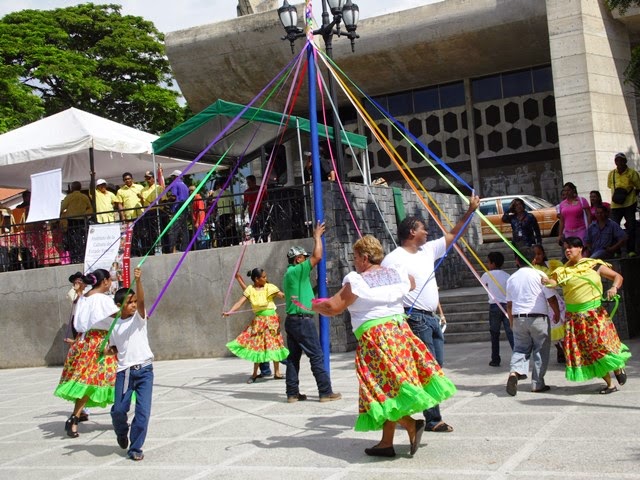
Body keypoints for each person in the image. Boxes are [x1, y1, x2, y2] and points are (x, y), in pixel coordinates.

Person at [312, 235, 456, 457]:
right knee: (390, 386)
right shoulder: (396, 274)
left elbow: (333, 307)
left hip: (376, 338)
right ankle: (386, 443)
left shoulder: (357, 281)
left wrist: (313, 306)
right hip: (400, 334)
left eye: (356, 257)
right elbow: (412, 282)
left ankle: (409, 424)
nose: (354, 262)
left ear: (365, 257)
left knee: (378, 388)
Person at [381, 194, 480, 433]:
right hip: (414, 318)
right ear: (412, 232)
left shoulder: (427, 251)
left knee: (436, 366)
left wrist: (470, 212)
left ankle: (414, 406)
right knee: (428, 368)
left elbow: (453, 235)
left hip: (432, 318)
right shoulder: (393, 259)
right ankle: (433, 418)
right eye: (423, 229)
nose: (427, 233)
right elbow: (385, 291)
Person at [542, 237, 630, 394]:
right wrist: (546, 280)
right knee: (588, 352)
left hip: (594, 315)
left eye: (571, 247)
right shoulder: (563, 271)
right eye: (565, 248)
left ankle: (618, 368)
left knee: (604, 345)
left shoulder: (594, 265)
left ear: (580, 248)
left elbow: (618, 277)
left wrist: (614, 288)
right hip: (574, 318)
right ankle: (609, 384)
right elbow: (553, 283)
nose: (567, 250)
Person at [53, 268, 119, 437]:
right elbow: (118, 316)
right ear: (104, 281)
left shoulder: (84, 299)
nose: (111, 283)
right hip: (99, 344)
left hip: (83, 343)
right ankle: (77, 416)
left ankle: (77, 416)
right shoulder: (102, 300)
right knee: (103, 380)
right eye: (110, 280)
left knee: (86, 380)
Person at [282, 221, 341, 403]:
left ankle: (292, 393)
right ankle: (325, 392)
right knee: (316, 355)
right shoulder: (297, 271)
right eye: (303, 257)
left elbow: (305, 297)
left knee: (293, 358)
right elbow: (317, 256)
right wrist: (316, 237)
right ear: (298, 259)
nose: (306, 260)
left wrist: (317, 285)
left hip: (292, 320)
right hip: (302, 321)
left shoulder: (292, 275)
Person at [109, 267, 153, 461]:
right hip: (124, 372)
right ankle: (121, 430)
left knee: (143, 413)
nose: (134, 305)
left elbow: (143, 301)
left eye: (135, 301)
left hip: (144, 370)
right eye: (130, 302)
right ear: (119, 306)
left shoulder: (140, 319)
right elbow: (115, 348)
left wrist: (138, 281)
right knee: (118, 410)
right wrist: (106, 351)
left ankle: (135, 447)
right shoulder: (114, 326)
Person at [505, 247, 560, 396]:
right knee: (541, 350)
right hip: (538, 317)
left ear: (516, 260)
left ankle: (514, 372)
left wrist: (511, 321)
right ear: (534, 259)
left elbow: (509, 304)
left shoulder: (512, 278)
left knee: (520, 349)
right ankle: (537, 383)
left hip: (518, 318)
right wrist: (556, 313)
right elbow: (551, 297)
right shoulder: (539, 274)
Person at [223, 268, 289, 382]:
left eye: (265, 276)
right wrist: (230, 311)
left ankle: (277, 373)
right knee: (257, 345)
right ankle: (254, 374)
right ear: (256, 279)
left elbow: (282, 295)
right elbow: (240, 302)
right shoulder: (250, 290)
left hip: (272, 320)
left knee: (275, 344)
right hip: (259, 321)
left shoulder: (270, 287)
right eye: (263, 277)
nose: (266, 278)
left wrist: (294, 294)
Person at [532, 244, 566, 363]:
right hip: (544, 301)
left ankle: (566, 351)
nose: (537, 257)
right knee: (553, 327)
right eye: (535, 255)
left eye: (539, 254)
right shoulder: (532, 269)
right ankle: (560, 350)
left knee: (562, 324)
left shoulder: (551, 265)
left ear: (544, 253)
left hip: (554, 298)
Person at [480, 252, 514, 367]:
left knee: (494, 334)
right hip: (506, 306)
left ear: (493, 263)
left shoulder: (487, 275)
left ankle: (495, 359)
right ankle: (517, 357)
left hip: (494, 306)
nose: (487, 264)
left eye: (488, 262)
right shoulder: (507, 275)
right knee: (510, 332)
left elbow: (483, 284)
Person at [607, 152, 640, 256]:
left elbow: (638, 187)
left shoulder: (632, 173)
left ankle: (631, 250)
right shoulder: (612, 174)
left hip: (629, 204)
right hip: (616, 205)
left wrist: (632, 196)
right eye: (617, 160)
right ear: (615, 162)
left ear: (625, 161)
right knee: (614, 227)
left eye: (621, 160)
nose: (619, 162)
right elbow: (609, 186)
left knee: (631, 227)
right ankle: (617, 251)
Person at [60, 181, 94, 264]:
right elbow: (90, 208)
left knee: (72, 239)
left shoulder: (69, 197)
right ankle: (82, 255)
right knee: (81, 238)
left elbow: (62, 207)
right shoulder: (84, 197)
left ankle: (74, 257)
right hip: (81, 219)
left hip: (71, 220)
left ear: (72, 188)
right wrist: (85, 215)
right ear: (80, 188)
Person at [117, 172, 144, 255]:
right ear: (123, 181)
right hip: (129, 216)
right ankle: (134, 252)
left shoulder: (140, 187)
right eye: (125, 179)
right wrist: (122, 216)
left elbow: (144, 200)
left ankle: (144, 251)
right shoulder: (120, 191)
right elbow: (120, 204)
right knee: (131, 235)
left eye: (129, 179)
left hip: (140, 214)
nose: (127, 180)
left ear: (132, 179)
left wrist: (141, 198)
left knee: (142, 233)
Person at [166, 170, 190, 253]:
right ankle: (185, 248)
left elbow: (173, 197)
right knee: (184, 230)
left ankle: (172, 250)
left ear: (175, 177)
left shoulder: (175, 184)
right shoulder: (185, 186)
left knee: (173, 231)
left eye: (172, 177)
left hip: (177, 210)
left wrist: (166, 201)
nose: (171, 179)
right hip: (184, 210)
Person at [243, 174, 269, 243]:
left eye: (249, 182)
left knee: (264, 228)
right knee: (254, 229)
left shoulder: (261, 189)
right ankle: (257, 241)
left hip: (262, 211)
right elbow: (245, 203)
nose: (248, 184)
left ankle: (265, 240)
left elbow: (265, 199)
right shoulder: (246, 192)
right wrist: (243, 212)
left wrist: (263, 209)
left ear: (254, 181)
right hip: (252, 212)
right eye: (247, 183)